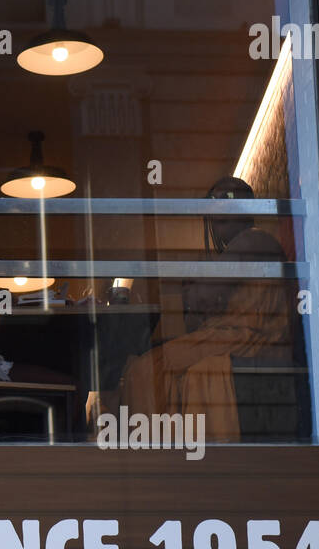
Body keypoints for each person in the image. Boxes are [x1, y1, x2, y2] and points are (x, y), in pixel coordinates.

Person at [89, 177, 299, 441]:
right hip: (228, 337)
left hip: (251, 338)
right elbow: (195, 314)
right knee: (147, 366)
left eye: (229, 199)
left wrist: (195, 289)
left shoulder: (254, 241)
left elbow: (203, 296)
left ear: (249, 208)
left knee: (146, 368)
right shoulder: (233, 252)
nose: (221, 206)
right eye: (214, 201)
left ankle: (153, 453)